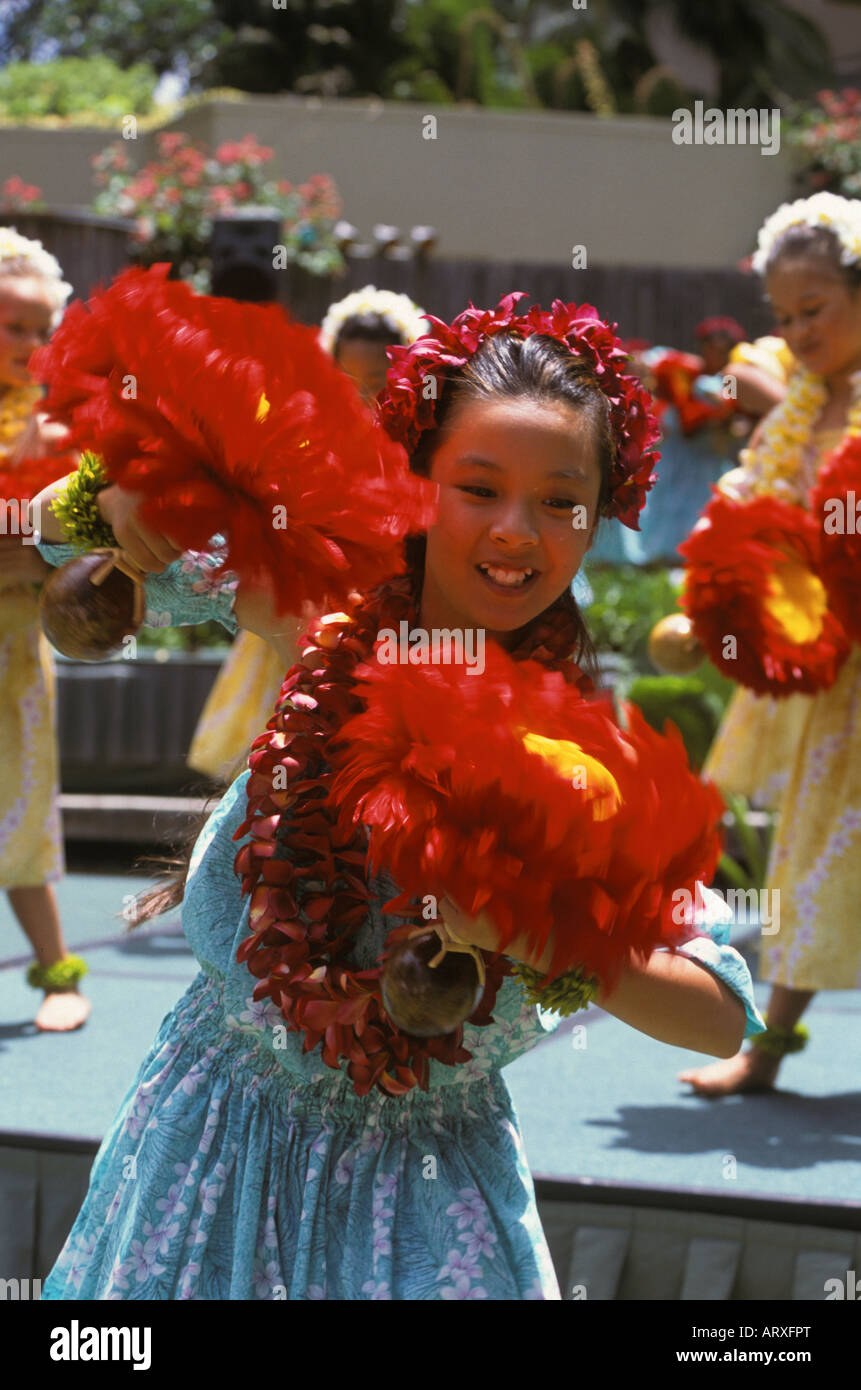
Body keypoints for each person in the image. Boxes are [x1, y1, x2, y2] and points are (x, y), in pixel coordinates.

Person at [32, 296, 764, 1300]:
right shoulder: (324, 597)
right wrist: (113, 500)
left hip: (420, 1213)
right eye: (478, 487)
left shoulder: (579, 764)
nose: (517, 531)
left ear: (599, 517)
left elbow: (722, 1012)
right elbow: (63, 530)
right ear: (418, 483)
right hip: (204, 1151)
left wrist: (544, 928)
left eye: (561, 500)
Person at [680, 192, 861, 1097]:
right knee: (814, 847)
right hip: (839, 687)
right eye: (783, 318)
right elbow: (748, 516)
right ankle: (765, 1051)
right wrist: (710, 606)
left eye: (814, 310)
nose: (795, 332)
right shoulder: (797, 414)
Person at [187, 286, 430, 786]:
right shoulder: (306, 434)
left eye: (378, 381)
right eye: (348, 379)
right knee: (271, 747)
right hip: (291, 614)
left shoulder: (420, 453)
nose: (363, 395)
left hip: (374, 623)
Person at [0, 228, 86, 1032]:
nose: (27, 344)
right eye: (9, 325)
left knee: (23, 805)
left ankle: (58, 973)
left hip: (14, 653)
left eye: (38, 329)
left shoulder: (65, 426)